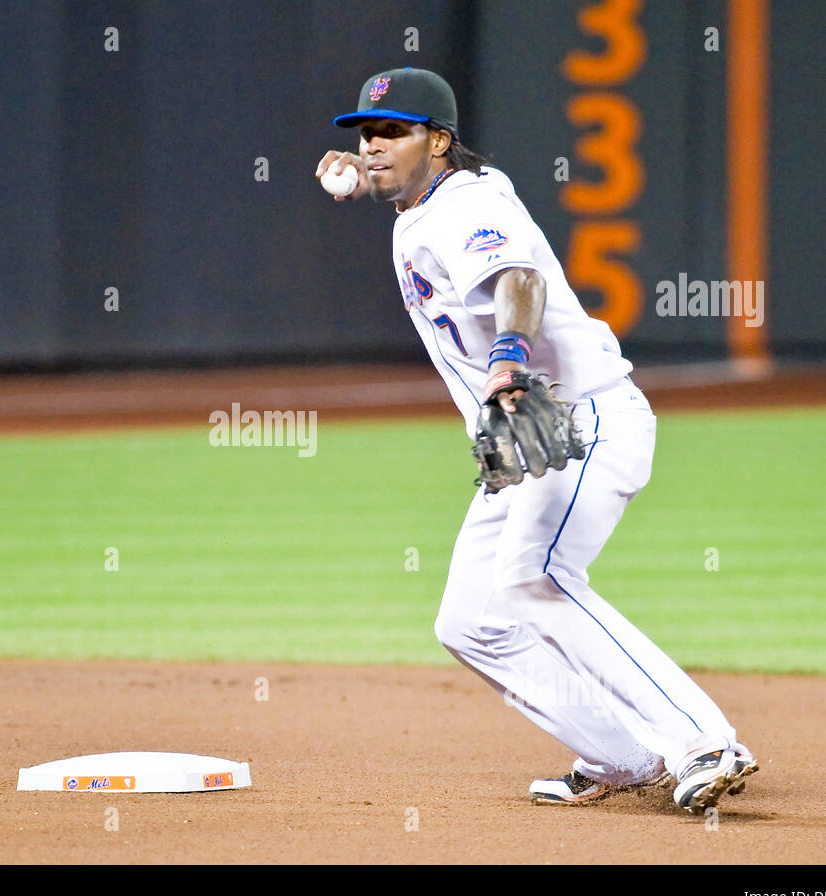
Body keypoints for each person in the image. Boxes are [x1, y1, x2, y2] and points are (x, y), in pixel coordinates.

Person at [316, 67, 758, 813]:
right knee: (471, 620)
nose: (374, 144)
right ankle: (622, 754)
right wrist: (364, 175)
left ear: (441, 140)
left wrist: (510, 353)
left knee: (537, 577)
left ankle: (704, 743)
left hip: (583, 423)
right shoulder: (429, 199)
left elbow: (519, 277)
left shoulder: (471, 203)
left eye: (393, 131)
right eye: (366, 132)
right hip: (524, 448)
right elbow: (404, 181)